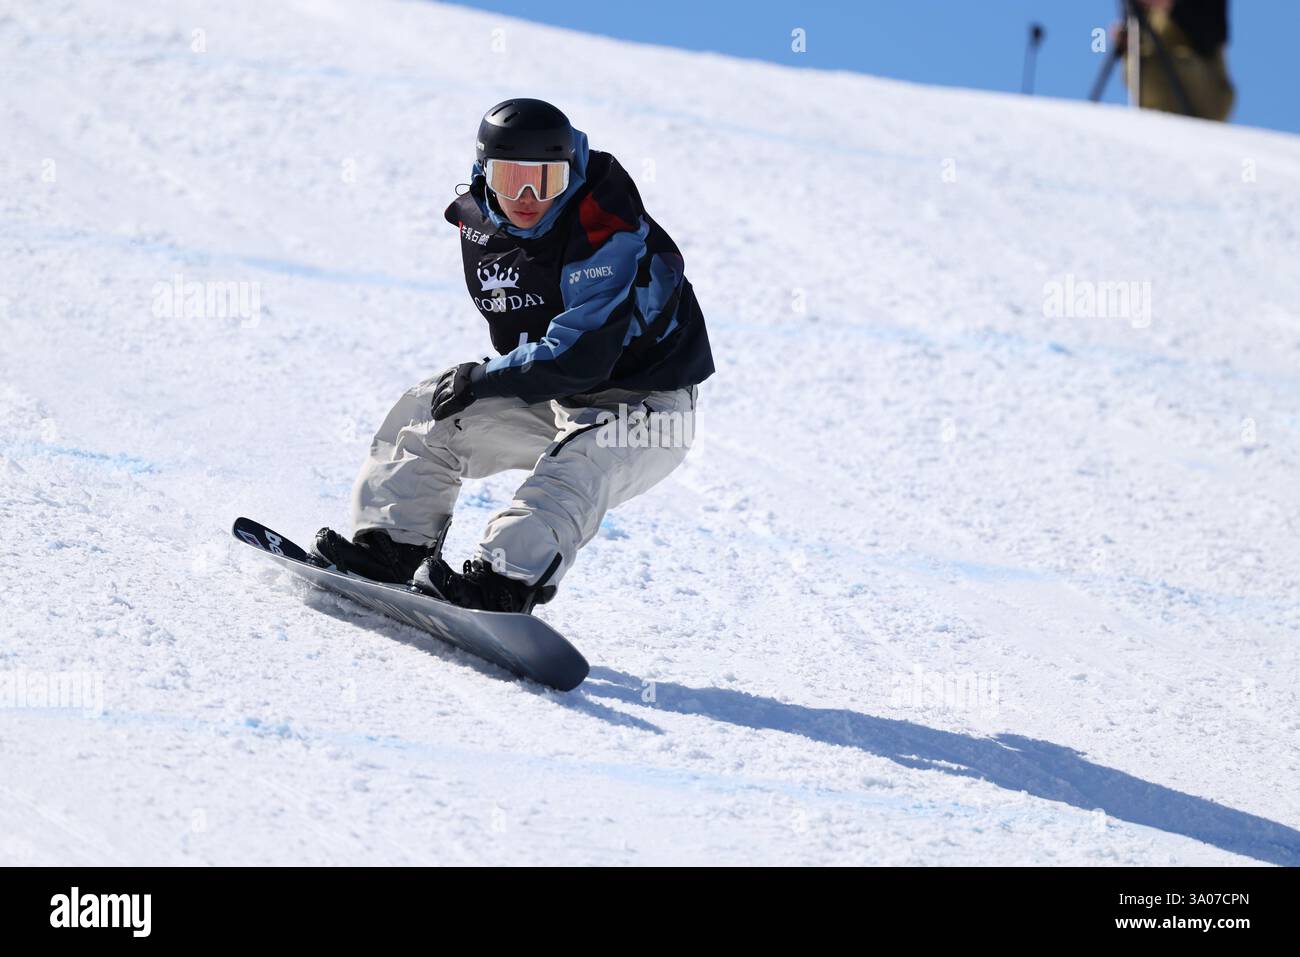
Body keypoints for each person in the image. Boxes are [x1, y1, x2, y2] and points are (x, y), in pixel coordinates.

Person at [312, 98, 714, 613]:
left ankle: (505, 580)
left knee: (576, 468)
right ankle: (394, 545)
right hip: (558, 398)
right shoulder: (481, 224)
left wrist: (484, 378)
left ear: (570, 175)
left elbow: (579, 357)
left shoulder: (605, 230)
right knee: (431, 407)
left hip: (648, 409)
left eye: (544, 182)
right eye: (509, 178)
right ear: (483, 173)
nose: (526, 198)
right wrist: (479, 386)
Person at [1120, 0, 1234, 121]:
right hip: (1157, 95)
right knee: (1138, 64)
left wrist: (1170, 6)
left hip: (1209, 92)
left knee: (1147, 66)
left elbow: (1212, 35)